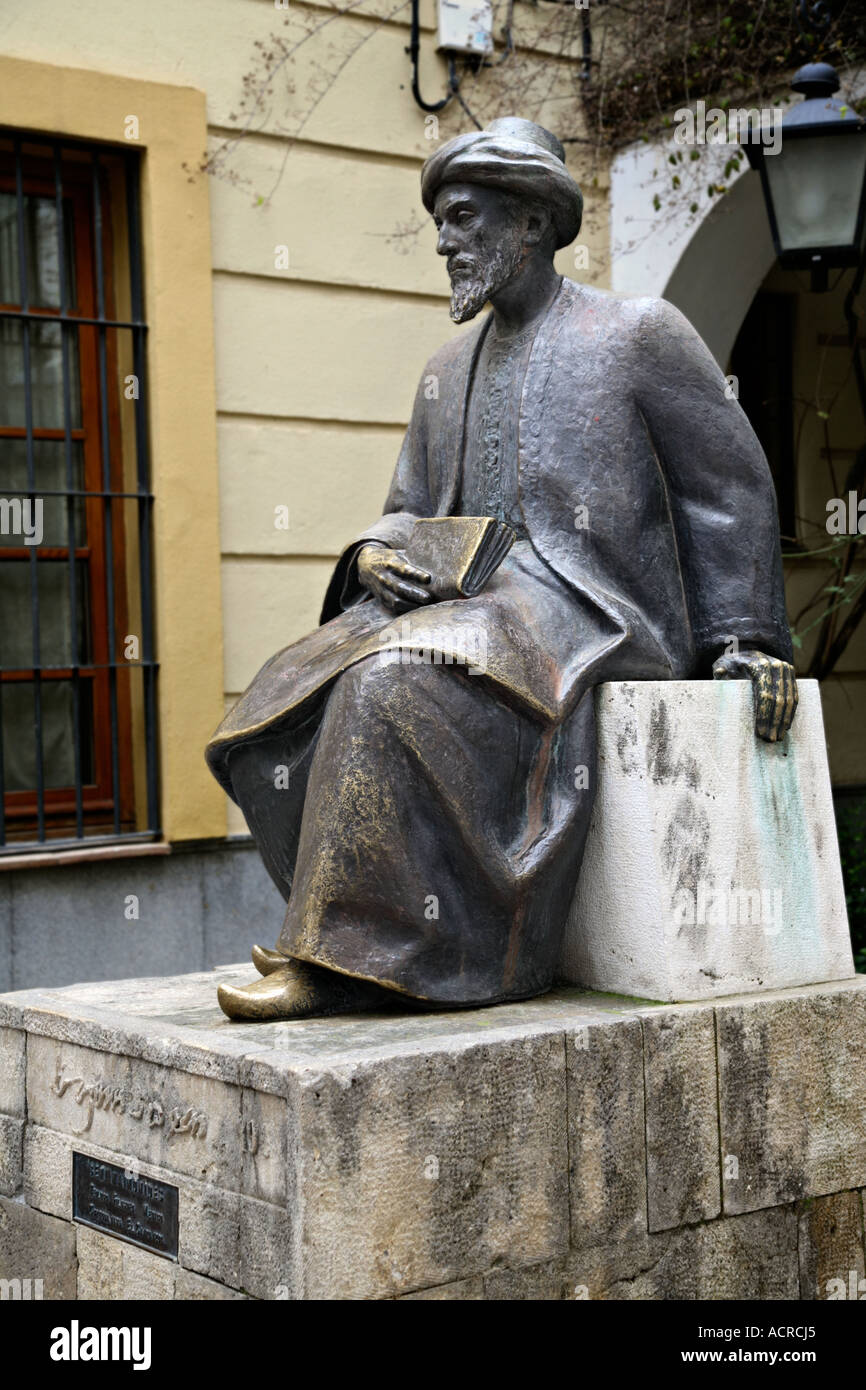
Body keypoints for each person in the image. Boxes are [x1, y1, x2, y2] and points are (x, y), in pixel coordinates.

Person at [207, 117, 797, 1022]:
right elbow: (406, 504)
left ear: (530, 221)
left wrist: (745, 637)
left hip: (592, 610)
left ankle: (345, 957)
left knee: (390, 686)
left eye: (466, 217)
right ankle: (363, 926)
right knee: (283, 692)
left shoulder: (636, 333)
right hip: (472, 602)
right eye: (442, 220)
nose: (446, 241)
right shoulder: (446, 370)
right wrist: (374, 553)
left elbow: (728, 487)